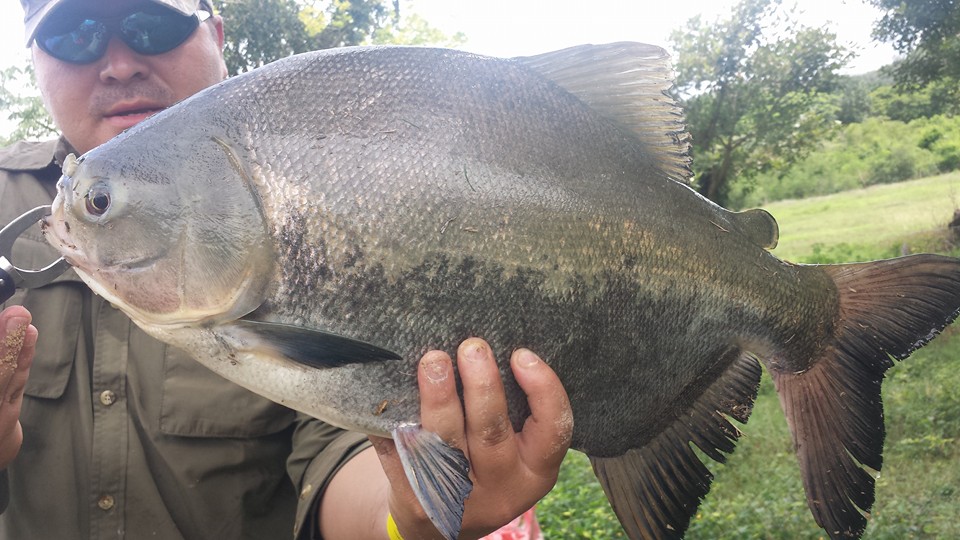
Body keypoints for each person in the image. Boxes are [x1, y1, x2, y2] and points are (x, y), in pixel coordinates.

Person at [0, 0, 573, 538]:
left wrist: (406, 517)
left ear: (215, 35)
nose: (119, 65)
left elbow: (345, 454)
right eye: (75, 37)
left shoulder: (333, 191)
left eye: (152, 24)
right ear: (36, 60)